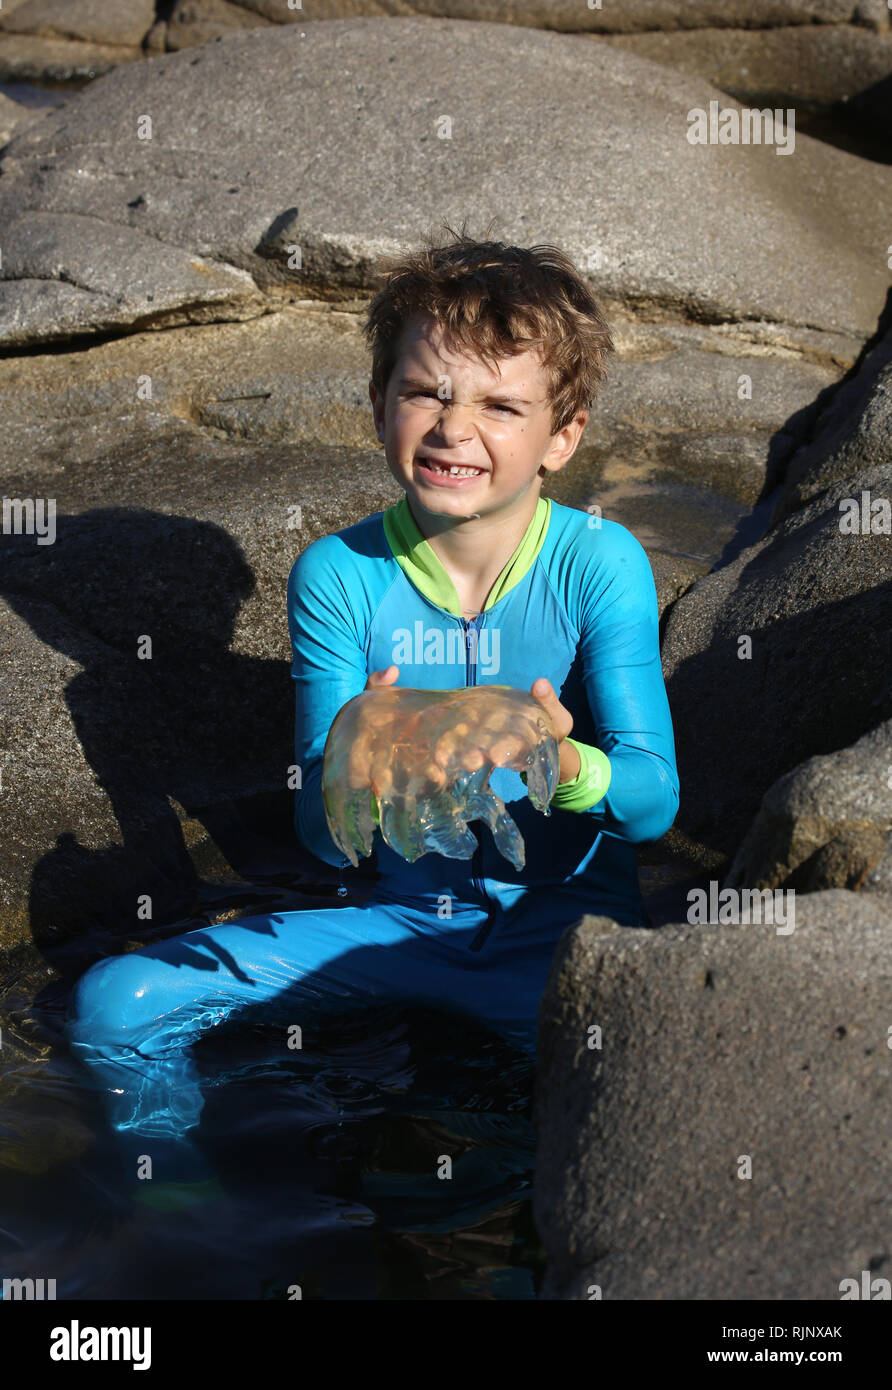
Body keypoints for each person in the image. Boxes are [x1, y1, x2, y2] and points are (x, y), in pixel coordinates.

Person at [65, 225, 679, 1181]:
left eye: (500, 405)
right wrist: (354, 745)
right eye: (426, 389)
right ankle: (172, 1207)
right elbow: (318, 837)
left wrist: (559, 765)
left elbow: (653, 800)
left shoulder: (599, 564)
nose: (453, 426)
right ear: (379, 400)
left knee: (637, 1090)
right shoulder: (341, 576)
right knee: (115, 1002)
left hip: (565, 929)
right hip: (397, 922)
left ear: (564, 435)